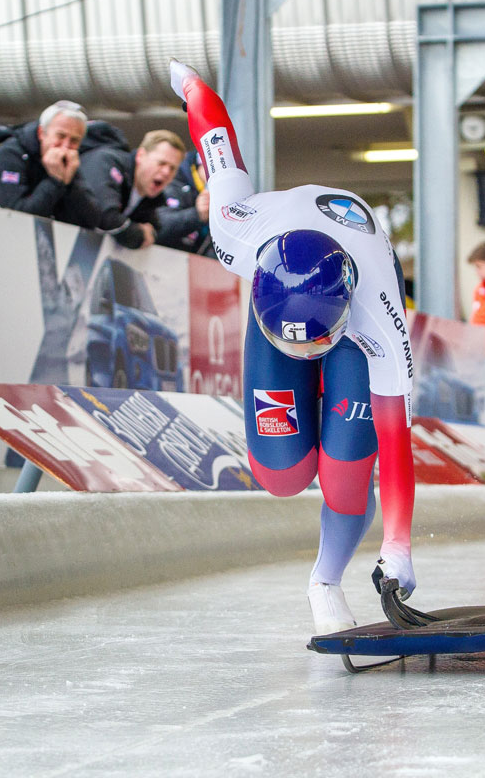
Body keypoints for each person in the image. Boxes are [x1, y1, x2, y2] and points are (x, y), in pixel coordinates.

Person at [170, 58, 416, 635]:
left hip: (352, 330)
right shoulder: (234, 232)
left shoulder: (381, 316)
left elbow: (396, 440)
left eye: (315, 345)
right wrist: (190, 86)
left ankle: (324, 580)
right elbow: (217, 143)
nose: (309, 353)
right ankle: (287, 345)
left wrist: (399, 544)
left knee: (348, 469)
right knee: (281, 474)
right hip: (288, 304)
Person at [0, 100, 101, 228]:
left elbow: (94, 220)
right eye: (61, 136)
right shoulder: (9, 154)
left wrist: (70, 181)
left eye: (74, 140)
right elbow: (18, 217)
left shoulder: (66, 162)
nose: (66, 146)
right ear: (42, 133)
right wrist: (55, 181)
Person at [79, 129, 184, 249]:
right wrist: (138, 234)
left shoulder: (151, 197)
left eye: (172, 168)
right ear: (141, 156)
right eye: (161, 163)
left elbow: (154, 230)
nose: (166, 172)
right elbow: (104, 215)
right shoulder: (107, 161)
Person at [155, 149, 212, 254]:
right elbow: (158, 226)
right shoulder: (173, 177)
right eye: (212, 169)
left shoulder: (224, 194)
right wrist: (197, 214)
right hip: (159, 261)